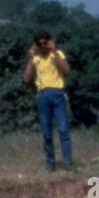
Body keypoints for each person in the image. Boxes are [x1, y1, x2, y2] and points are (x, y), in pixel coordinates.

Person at [22, 30, 74, 170]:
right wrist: (31, 58)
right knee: (47, 133)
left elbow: (66, 70)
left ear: (49, 41)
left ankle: (68, 162)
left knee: (63, 129)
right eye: (40, 44)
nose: (43, 45)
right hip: (42, 95)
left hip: (57, 93)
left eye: (45, 42)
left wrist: (55, 51)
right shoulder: (36, 58)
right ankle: (51, 164)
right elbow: (26, 78)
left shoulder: (56, 54)